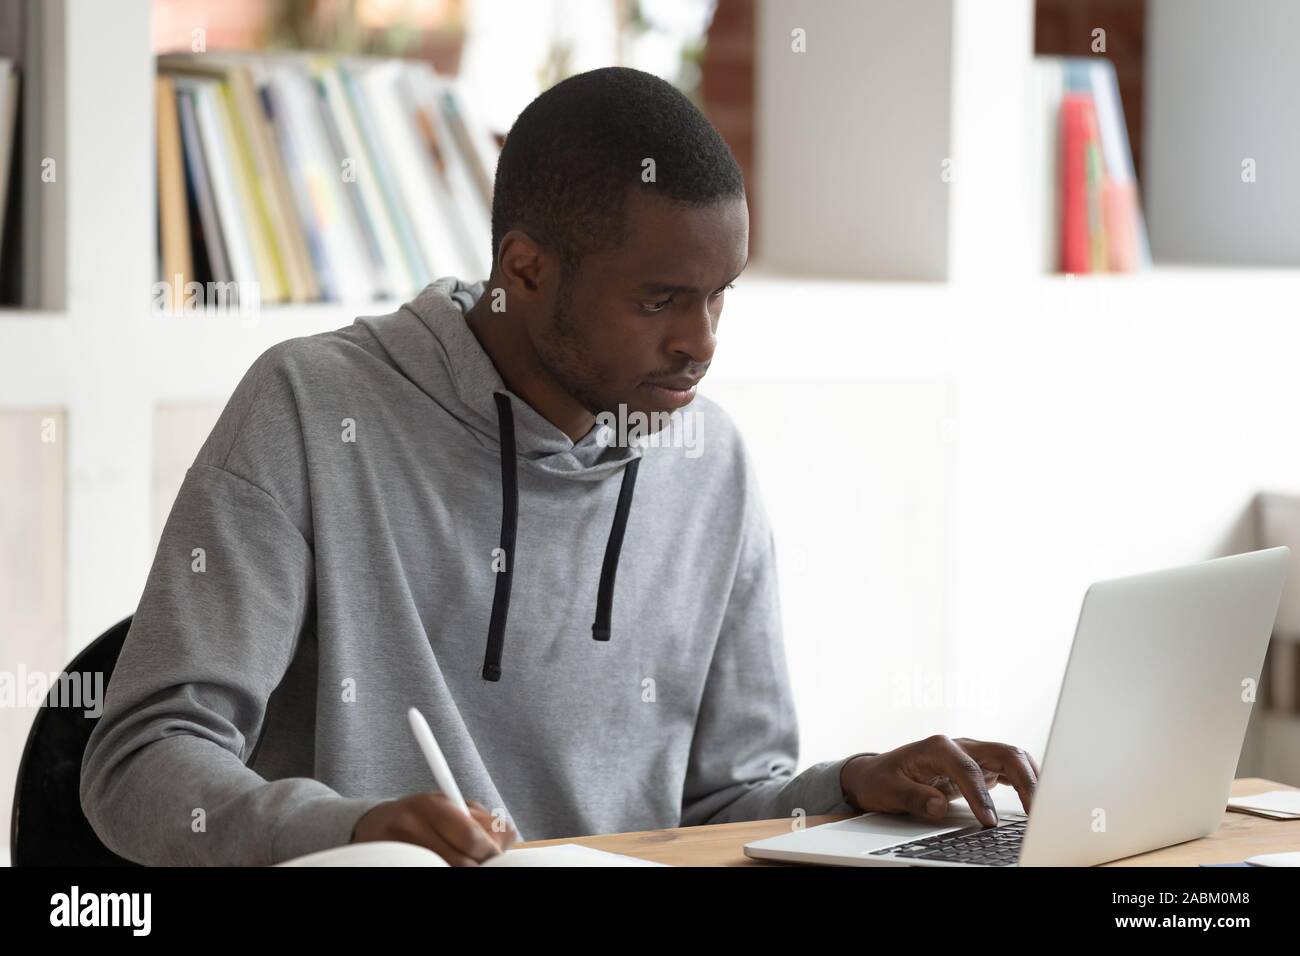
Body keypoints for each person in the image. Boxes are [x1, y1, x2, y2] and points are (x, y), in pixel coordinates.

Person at [81, 66, 1038, 866]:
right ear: (526, 267)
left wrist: (851, 786)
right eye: (662, 298)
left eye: (720, 298)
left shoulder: (711, 462)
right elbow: (141, 762)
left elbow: (726, 804)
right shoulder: (311, 409)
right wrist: (353, 837)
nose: (700, 345)